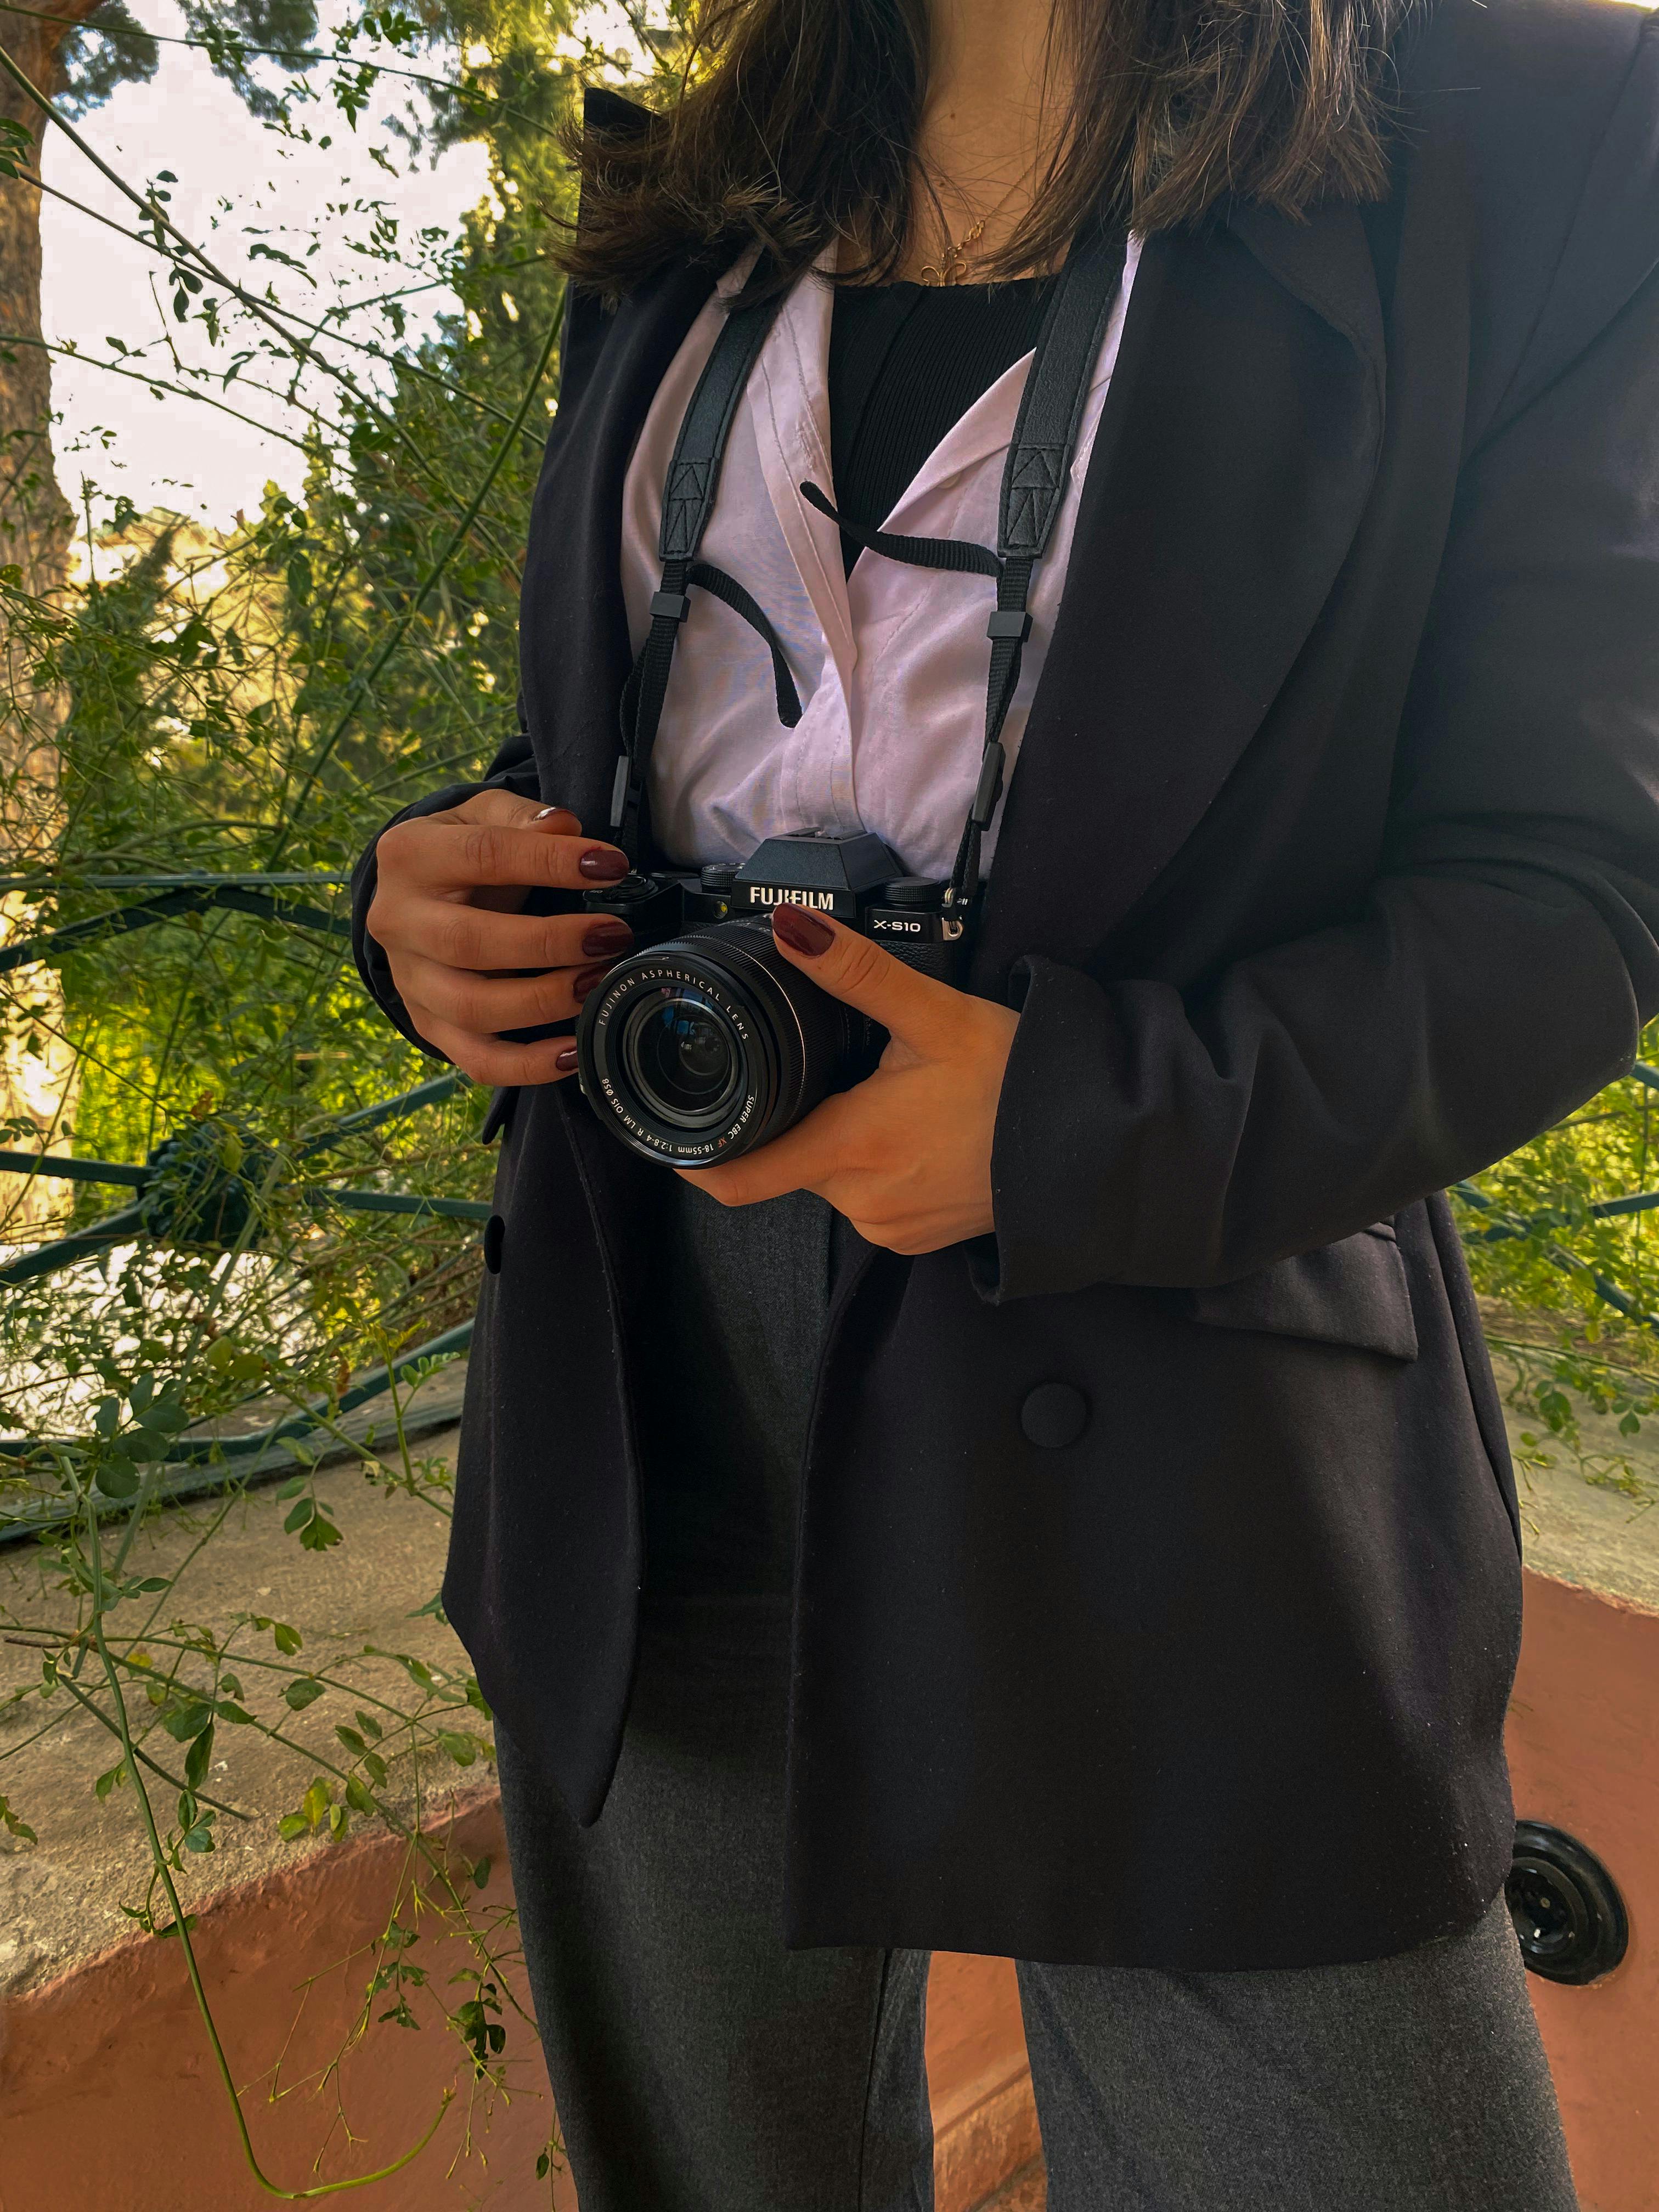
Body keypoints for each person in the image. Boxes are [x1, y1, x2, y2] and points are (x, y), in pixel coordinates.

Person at [351, 0, 1659, 2202]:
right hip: (642, 1371)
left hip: (1194, 1375)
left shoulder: (1540, 132)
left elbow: (1568, 903)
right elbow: (633, 766)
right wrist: (422, 903)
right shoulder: (691, 189)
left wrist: (1080, 1117)